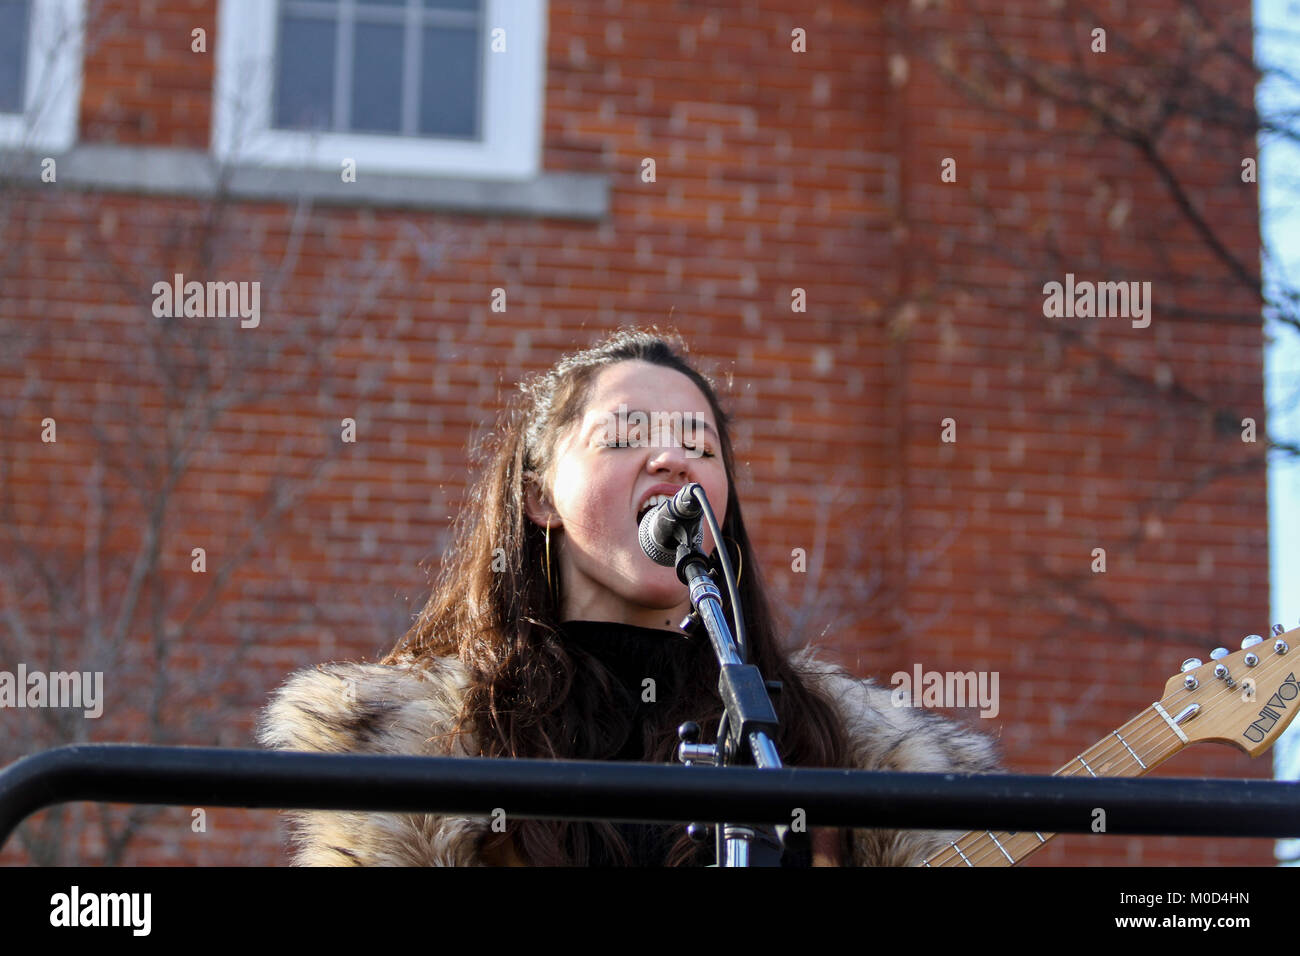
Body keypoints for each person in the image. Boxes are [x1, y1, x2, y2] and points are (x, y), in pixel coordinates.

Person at [256, 327, 999, 866]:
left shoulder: (821, 741)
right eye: (624, 437)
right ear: (540, 497)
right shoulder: (429, 739)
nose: (673, 457)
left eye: (700, 447)